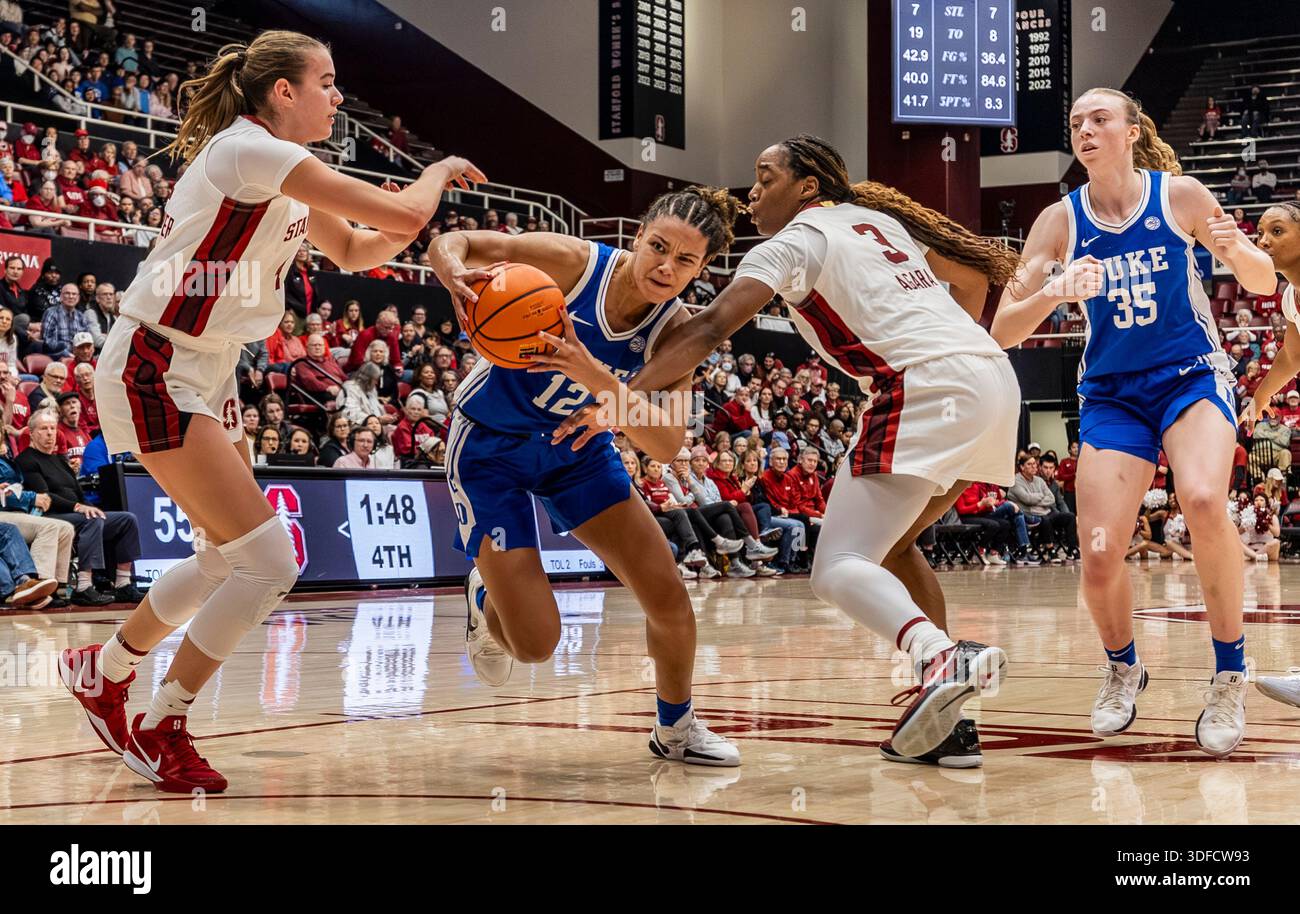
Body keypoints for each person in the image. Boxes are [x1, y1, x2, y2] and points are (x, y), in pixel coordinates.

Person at [58, 30, 486, 796]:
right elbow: (402, 213)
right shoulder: (248, 151)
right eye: (326, 81)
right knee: (271, 561)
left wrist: (439, 239)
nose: (337, 96)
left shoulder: (283, 174)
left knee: (228, 557)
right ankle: (163, 721)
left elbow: (359, 250)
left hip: (206, 365)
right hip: (157, 363)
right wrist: (441, 171)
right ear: (281, 93)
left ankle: (105, 669)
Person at [546, 135, 1018, 766]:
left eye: (765, 178)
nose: (753, 192)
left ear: (807, 187)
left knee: (836, 567)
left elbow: (712, 327)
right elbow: (974, 277)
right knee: (895, 547)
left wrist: (621, 394)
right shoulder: (878, 222)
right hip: (993, 380)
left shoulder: (793, 242)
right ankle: (949, 728)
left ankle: (940, 657)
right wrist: (956, 348)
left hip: (925, 383)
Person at [991, 88, 1278, 758]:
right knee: (1096, 552)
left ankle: (1229, 673)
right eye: (1075, 124)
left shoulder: (1179, 196)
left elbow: (1263, 283)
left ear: (1130, 131)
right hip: (1113, 393)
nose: (1085, 130)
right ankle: (1123, 665)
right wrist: (1056, 290)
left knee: (1205, 499)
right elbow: (1004, 327)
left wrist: (1238, 251)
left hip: (1190, 375)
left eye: (1098, 119)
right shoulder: (1059, 221)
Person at [430, 184, 747, 766]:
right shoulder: (576, 264)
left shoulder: (680, 333)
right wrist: (451, 269)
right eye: (658, 247)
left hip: (578, 453)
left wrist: (596, 376)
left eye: (685, 261)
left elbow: (668, 442)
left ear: (702, 270)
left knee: (669, 598)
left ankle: (674, 730)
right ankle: (485, 591)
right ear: (636, 237)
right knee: (535, 646)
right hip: (489, 447)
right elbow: (460, 239)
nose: (666, 267)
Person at [18, 409, 141, 605]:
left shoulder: (60, 460)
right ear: (31, 433)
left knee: (126, 520)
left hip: (75, 514)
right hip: (51, 516)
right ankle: (83, 586)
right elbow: (45, 496)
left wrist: (89, 506)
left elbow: (79, 494)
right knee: (91, 520)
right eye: (43, 429)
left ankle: (123, 584)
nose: (49, 433)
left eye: (52, 428)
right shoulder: (26, 460)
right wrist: (78, 507)